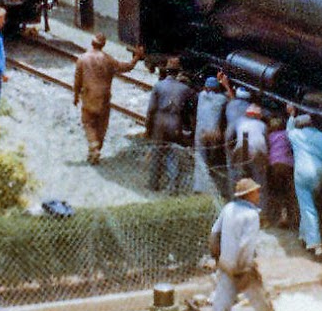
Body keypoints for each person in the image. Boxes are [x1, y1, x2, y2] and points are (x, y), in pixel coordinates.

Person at [206, 178, 295, 311]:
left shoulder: (228, 208)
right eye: (256, 192)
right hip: (242, 267)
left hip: (226, 264)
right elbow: (246, 245)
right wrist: (244, 271)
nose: (258, 194)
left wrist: (217, 257)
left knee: (221, 306)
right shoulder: (251, 216)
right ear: (248, 195)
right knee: (261, 300)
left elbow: (214, 233)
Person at [72, 33, 143, 164]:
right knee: (102, 125)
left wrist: (76, 96)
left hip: (89, 97)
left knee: (88, 122)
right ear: (103, 45)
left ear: (92, 43)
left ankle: (93, 146)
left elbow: (77, 81)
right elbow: (127, 67)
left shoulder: (82, 59)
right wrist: (137, 57)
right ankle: (95, 150)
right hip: (104, 98)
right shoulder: (108, 60)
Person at [286, 115, 322, 258]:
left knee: (307, 207)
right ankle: (303, 235)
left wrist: (291, 115)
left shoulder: (295, 134)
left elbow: (288, 130)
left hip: (302, 173)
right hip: (319, 173)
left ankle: (315, 244)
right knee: (308, 204)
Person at [145, 59, 195, 192]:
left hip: (159, 123)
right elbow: (191, 111)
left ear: (166, 71)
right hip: (175, 123)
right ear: (178, 72)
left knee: (157, 153)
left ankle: (153, 184)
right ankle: (173, 186)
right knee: (172, 155)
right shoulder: (185, 89)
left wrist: (148, 127)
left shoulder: (158, 86)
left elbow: (151, 110)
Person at [192, 74, 230, 195]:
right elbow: (231, 98)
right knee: (213, 159)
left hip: (201, 132)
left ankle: (199, 187)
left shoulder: (201, 96)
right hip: (213, 133)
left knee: (200, 157)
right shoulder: (221, 99)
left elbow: (206, 90)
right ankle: (213, 187)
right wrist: (225, 84)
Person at [265, 116, 296, 228]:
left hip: (275, 165)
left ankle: (281, 217)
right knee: (289, 192)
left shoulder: (269, 137)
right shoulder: (287, 134)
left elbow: (268, 150)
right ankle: (292, 217)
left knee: (278, 191)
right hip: (288, 164)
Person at [233, 105, 270, 192]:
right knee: (259, 177)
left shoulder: (240, 122)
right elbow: (267, 141)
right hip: (258, 151)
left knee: (239, 175)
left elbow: (231, 137)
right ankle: (260, 197)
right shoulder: (262, 125)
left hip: (242, 148)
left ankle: (238, 194)